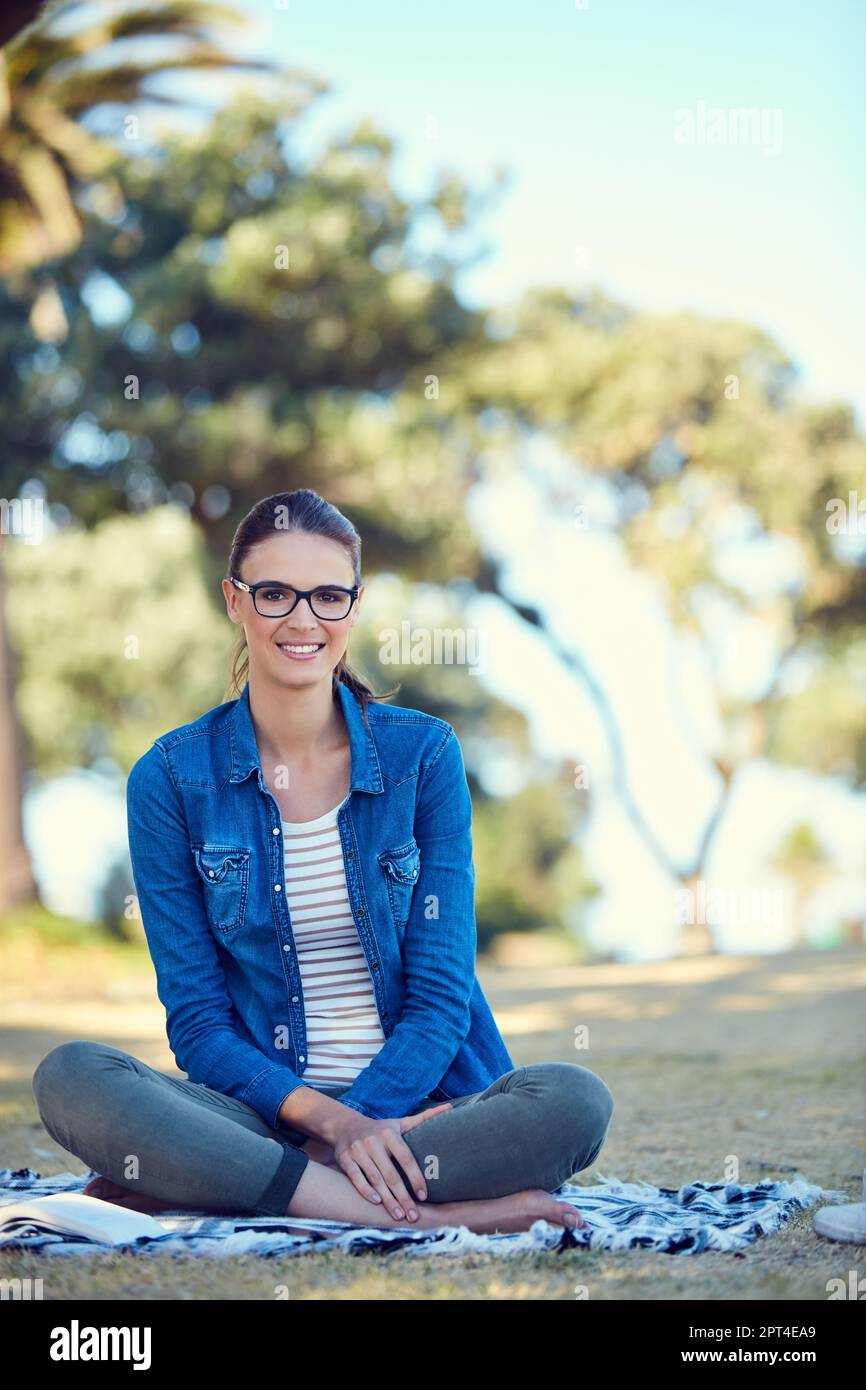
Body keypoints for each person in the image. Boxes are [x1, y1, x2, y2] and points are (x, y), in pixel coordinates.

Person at [32, 489, 614, 1235]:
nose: (303, 620)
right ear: (235, 603)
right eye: (274, 594)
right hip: (257, 1116)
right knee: (73, 1078)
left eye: (328, 595)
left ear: (356, 605)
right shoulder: (171, 778)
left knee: (573, 1103)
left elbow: (440, 998)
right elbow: (200, 1025)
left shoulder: (422, 756)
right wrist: (325, 1125)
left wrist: (360, 1122)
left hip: (421, 1119)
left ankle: (247, 1186)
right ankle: (424, 1219)